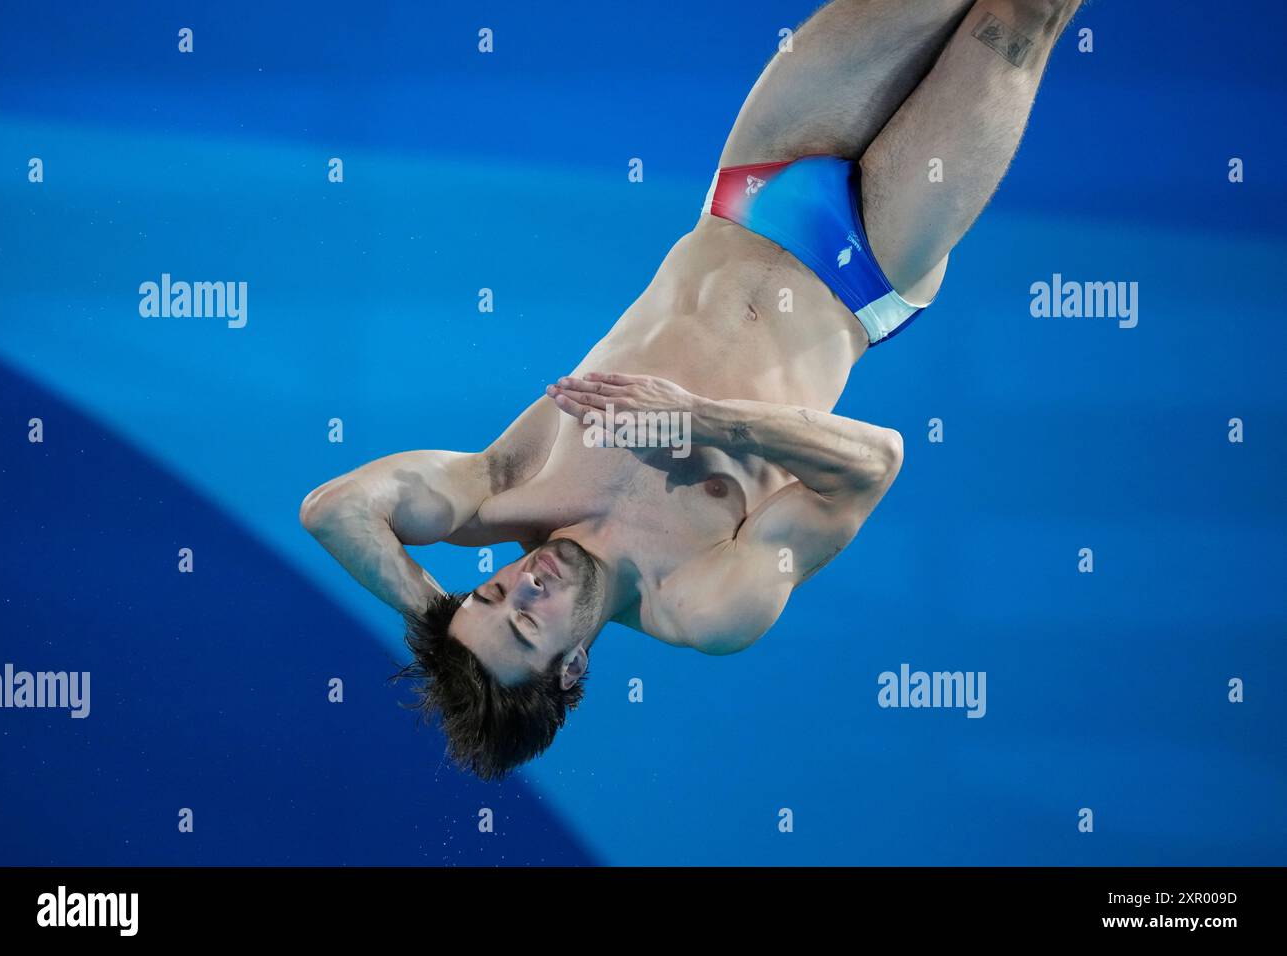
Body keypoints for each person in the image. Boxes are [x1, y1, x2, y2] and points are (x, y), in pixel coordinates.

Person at [300, 0, 1082, 779]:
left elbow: (332, 510)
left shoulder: (503, 493)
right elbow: (878, 462)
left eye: (489, 598)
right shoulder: (705, 605)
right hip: (870, 260)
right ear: (571, 668)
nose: (519, 589)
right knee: (1025, 15)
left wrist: (437, 618)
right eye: (527, 626)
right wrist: (708, 421)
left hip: (756, 185)